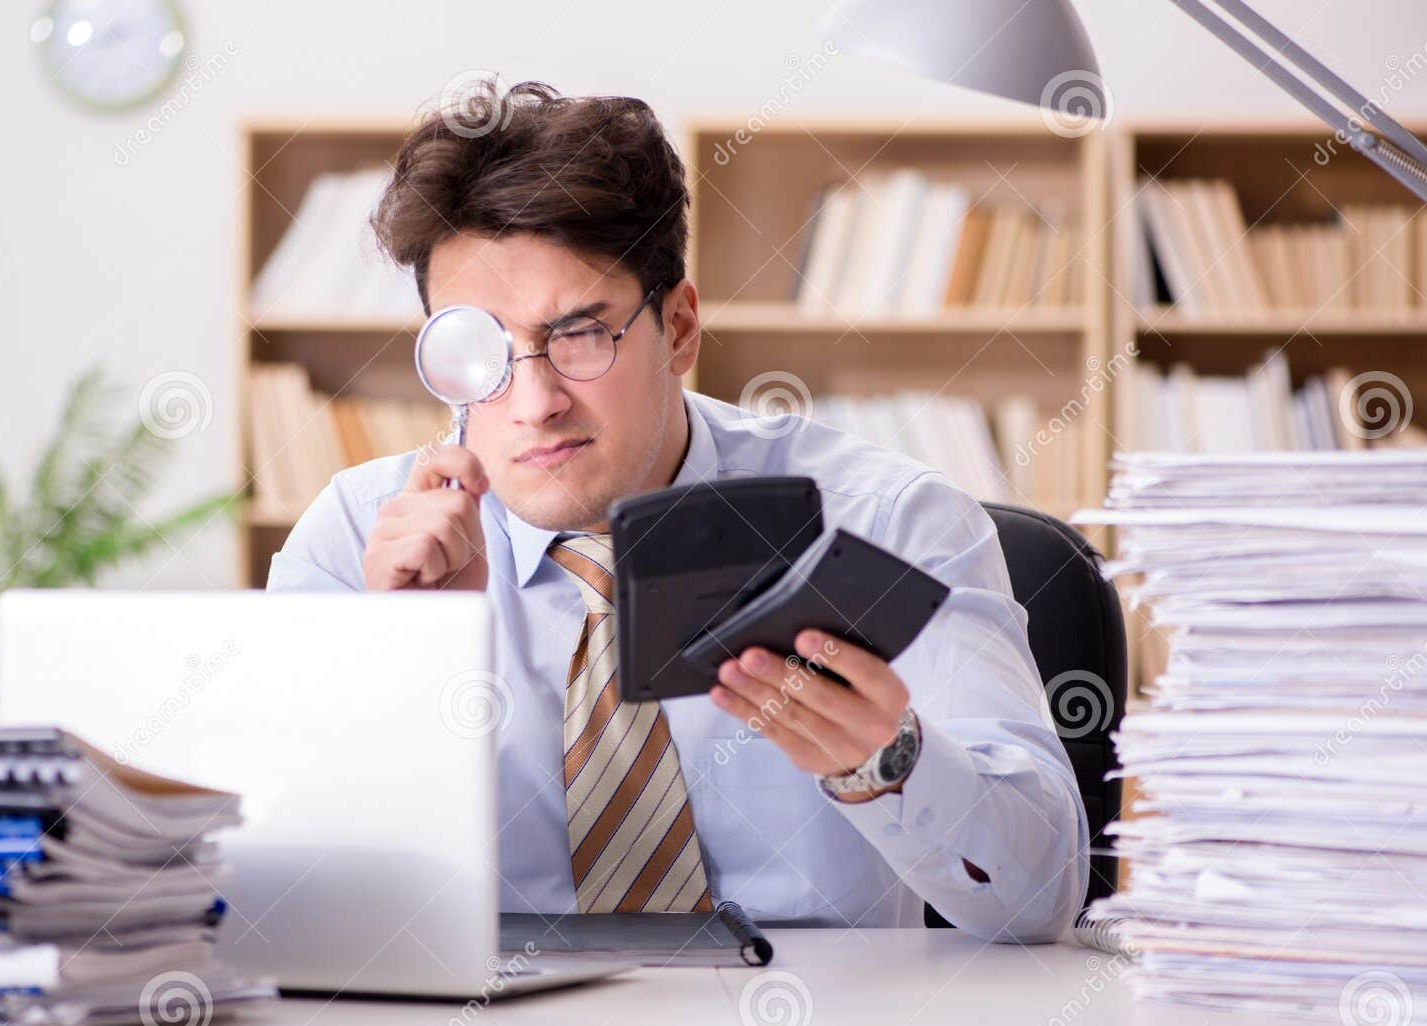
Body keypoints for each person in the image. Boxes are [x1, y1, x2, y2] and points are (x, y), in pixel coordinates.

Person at [268, 80, 1088, 941]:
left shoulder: (891, 523)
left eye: (580, 334)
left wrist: (885, 763)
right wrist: (403, 670)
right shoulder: (360, 538)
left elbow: (1040, 900)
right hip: (490, 1021)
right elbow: (273, 901)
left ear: (682, 329)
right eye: (479, 349)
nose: (534, 403)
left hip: (817, 1020)